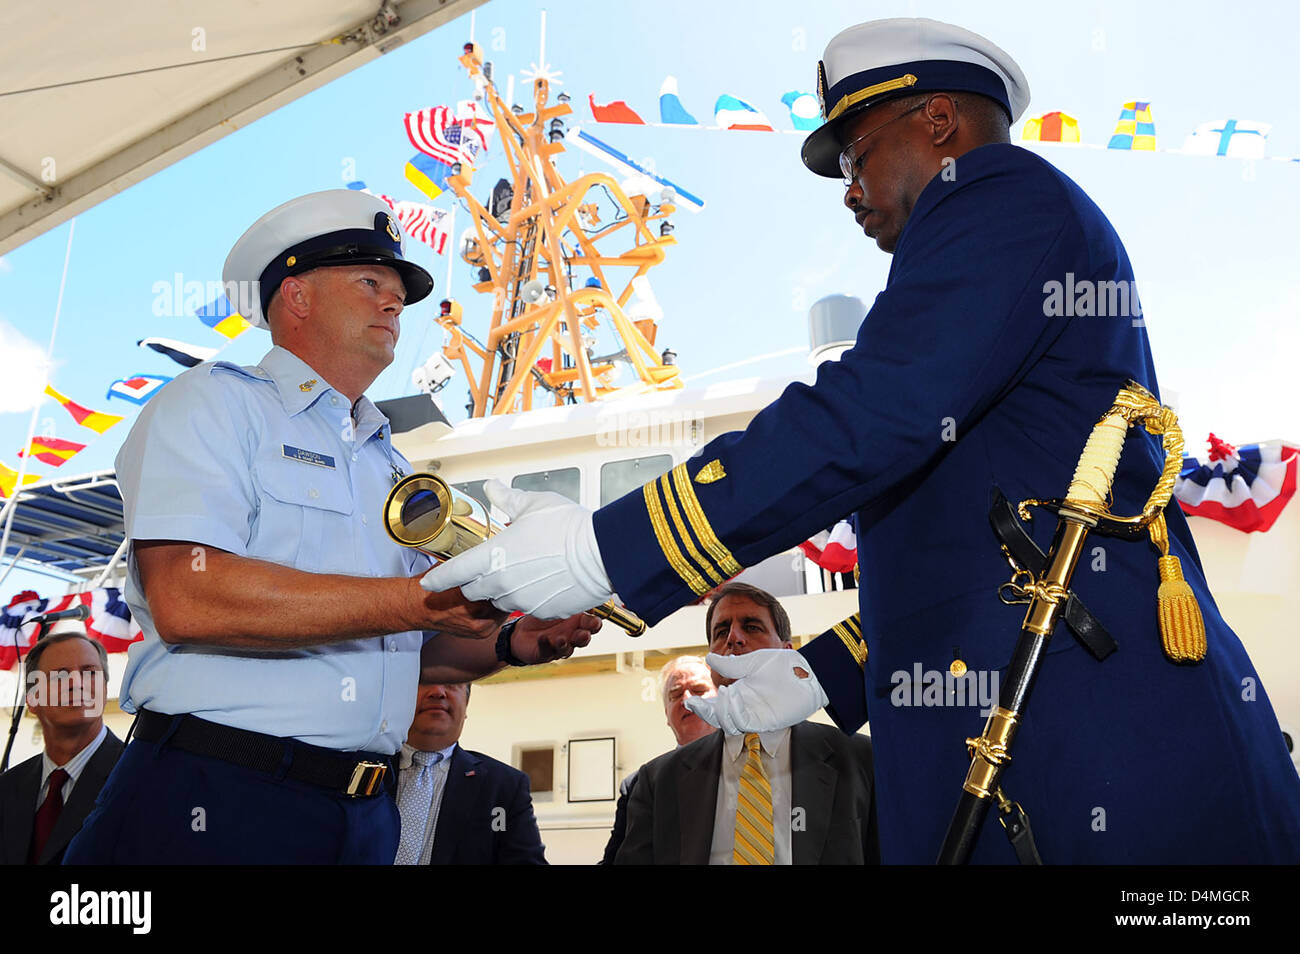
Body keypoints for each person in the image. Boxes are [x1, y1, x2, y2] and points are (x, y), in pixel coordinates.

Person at [421, 19, 1300, 863]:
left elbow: (876, 408)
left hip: (1092, 752)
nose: (848, 190)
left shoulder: (997, 194)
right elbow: (981, 556)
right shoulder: (989, 247)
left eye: (854, 153)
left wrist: (601, 547)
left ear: (940, 121)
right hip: (1049, 743)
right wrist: (816, 675)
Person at [65, 190, 601, 865]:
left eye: (397, 292)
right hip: (218, 795)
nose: (393, 303)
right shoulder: (212, 405)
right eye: (371, 281)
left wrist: (514, 641)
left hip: (366, 815)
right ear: (297, 298)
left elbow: (406, 645)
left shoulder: (391, 465)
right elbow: (187, 597)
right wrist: (416, 602)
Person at [615, 583, 877, 865]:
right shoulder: (659, 780)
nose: (734, 638)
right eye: (721, 632)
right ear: (712, 664)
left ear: (787, 652)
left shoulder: (861, 760)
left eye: (752, 627)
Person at [395, 653, 546, 865]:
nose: (438, 692)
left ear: (466, 705)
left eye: (452, 683)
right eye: (425, 681)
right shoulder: (356, 768)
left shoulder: (503, 789)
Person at [0, 623, 123, 864]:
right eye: (60, 675)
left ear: (105, 689)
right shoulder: (6, 787)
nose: (76, 683)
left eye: (89, 672)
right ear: (33, 700)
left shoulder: (142, 777)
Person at [598, 654, 717, 864]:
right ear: (667, 715)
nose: (687, 700)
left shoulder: (753, 762)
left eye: (698, 690)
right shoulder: (640, 784)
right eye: (676, 694)